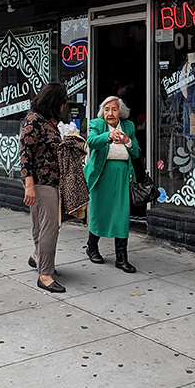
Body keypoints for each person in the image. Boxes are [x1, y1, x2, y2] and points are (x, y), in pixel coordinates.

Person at [19, 82, 68, 293]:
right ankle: (45, 274)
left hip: (51, 182)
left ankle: (37, 257)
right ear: (55, 102)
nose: (65, 106)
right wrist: (29, 186)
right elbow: (25, 154)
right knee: (50, 228)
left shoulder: (49, 122)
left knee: (40, 225)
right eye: (63, 102)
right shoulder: (34, 120)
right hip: (41, 183)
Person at [84, 96, 140, 273]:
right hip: (102, 176)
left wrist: (127, 142)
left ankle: (121, 258)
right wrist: (108, 135)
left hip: (122, 177)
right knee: (99, 212)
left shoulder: (128, 126)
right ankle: (92, 247)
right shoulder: (97, 124)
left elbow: (137, 152)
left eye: (114, 109)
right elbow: (91, 142)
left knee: (121, 215)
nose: (110, 113)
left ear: (120, 112)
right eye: (107, 109)